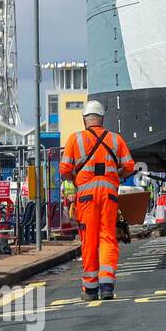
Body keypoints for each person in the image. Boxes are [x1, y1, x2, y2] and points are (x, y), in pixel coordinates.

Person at [59, 101, 136, 301]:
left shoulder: (75, 139)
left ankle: (90, 290)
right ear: (102, 118)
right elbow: (129, 166)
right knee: (108, 238)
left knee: (89, 241)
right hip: (109, 197)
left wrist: (77, 178)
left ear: (84, 119)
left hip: (86, 199)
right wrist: (114, 177)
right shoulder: (115, 139)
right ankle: (107, 286)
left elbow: (64, 170)